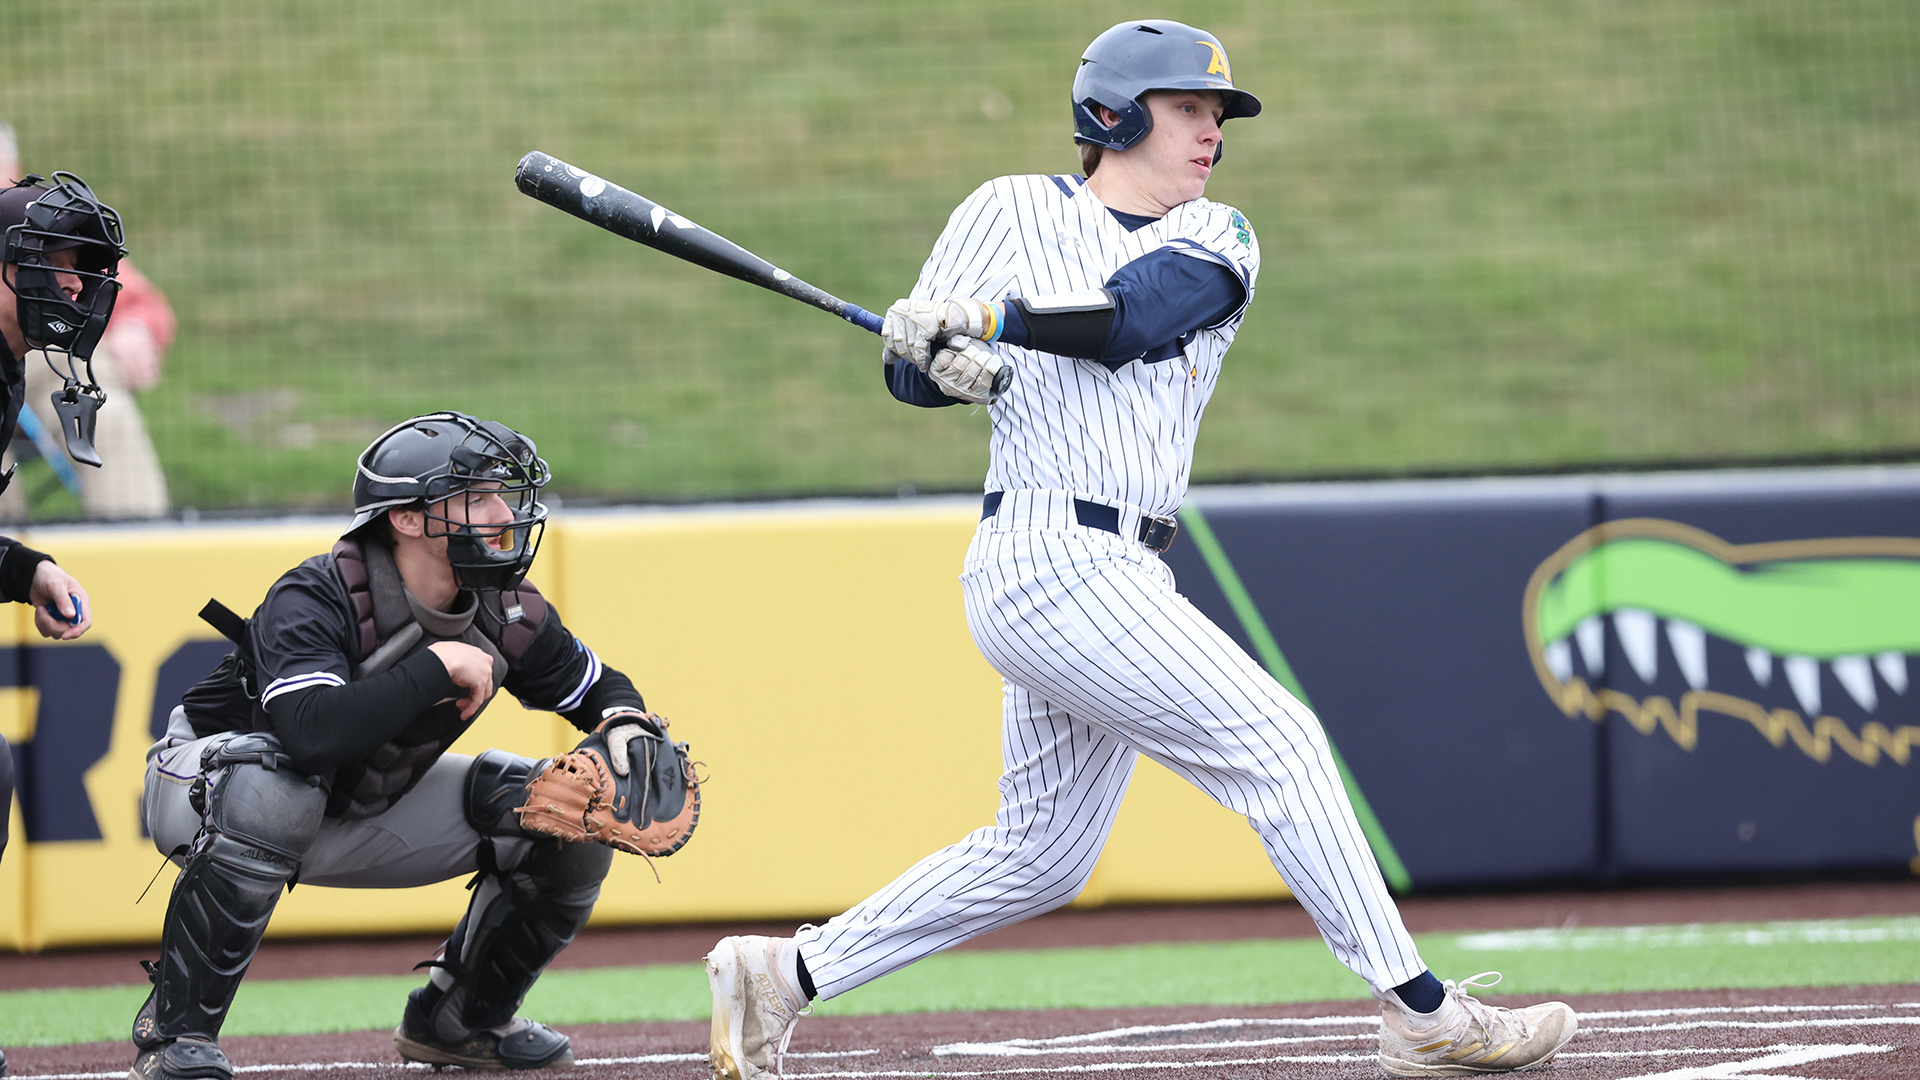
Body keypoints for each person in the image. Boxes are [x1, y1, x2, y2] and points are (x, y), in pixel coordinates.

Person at [704, 20, 1577, 1080]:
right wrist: (930, 361)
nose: (1212, 132)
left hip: (1118, 568)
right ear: (1113, 114)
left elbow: (1133, 318)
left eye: (1218, 115)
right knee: (1284, 744)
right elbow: (909, 378)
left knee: (1043, 854)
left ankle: (781, 977)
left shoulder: (1222, 237)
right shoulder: (1007, 207)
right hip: (1046, 555)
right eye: (1188, 109)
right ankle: (1424, 1014)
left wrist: (987, 317)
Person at [133, 412, 664, 1080]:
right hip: (206, 790)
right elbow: (308, 733)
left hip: (351, 804)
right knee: (273, 786)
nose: (503, 512)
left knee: (565, 813)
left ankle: (459, 1024)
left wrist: (627, 724)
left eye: (502, 492)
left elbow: (596, 685)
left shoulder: (505, 606)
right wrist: (436, 668)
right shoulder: (315, 594)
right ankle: (177, 1035)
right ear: (407, 519)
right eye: (475, 498)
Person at [0, 168, 108, 1080]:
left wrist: (25, 566)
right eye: (53, 265)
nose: (72, 286)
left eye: (84, 271)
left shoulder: (8, 367)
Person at [0, 122, 174, 519]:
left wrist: (135, 329)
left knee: (104, 410)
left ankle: (141, 549)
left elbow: (133, 297)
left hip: (46, 371)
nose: (73, 281)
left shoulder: (39, 221)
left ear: (15, 166)